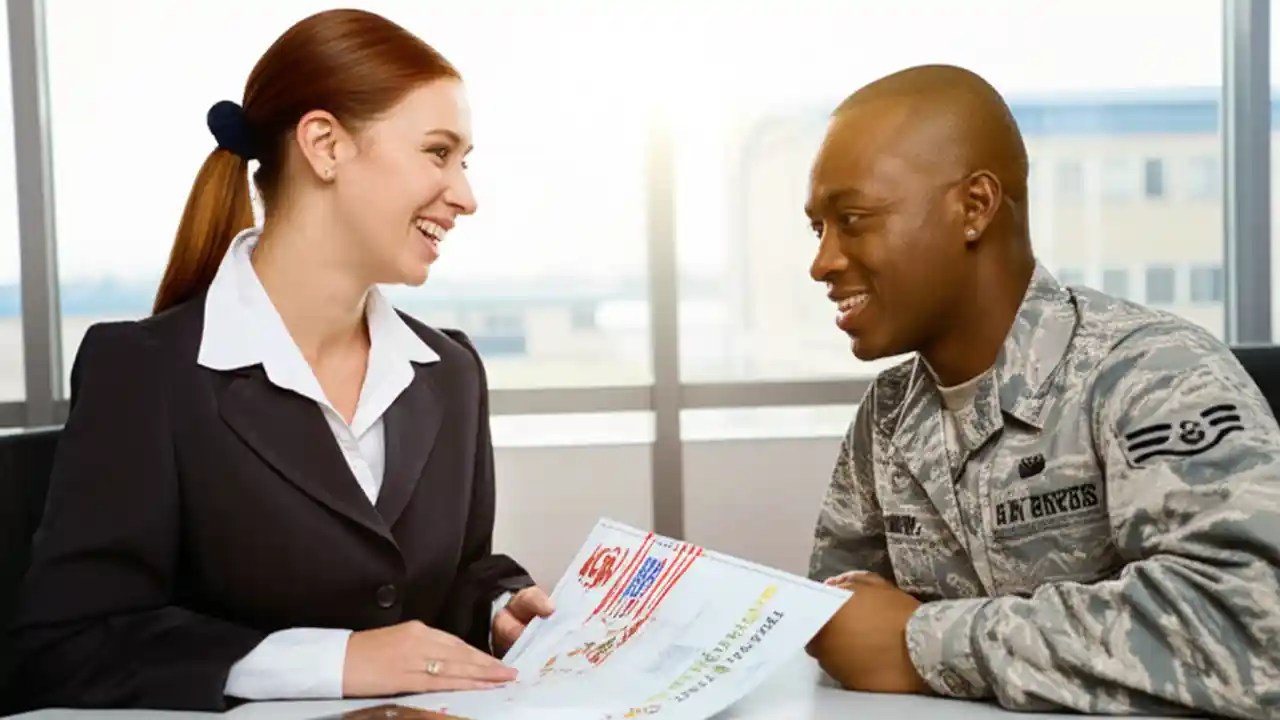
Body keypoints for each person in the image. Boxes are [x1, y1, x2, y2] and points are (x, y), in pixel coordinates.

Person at [9, 9, 553, 712]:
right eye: (439, 153)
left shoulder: (449, 371)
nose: (467, 196)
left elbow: (452, 575)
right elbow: (66, 645)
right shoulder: (145, 372)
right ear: (325, 145)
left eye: (465, 161)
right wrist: (334, 659)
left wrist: (497, 608)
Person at [803, 64, 1280, 718]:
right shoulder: (887, 416)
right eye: (818, 229)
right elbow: (845, 630)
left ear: (974, 207)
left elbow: (1250, 630)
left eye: (853, 219)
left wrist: (923, 643)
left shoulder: (1151, 371)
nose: (822, 261)